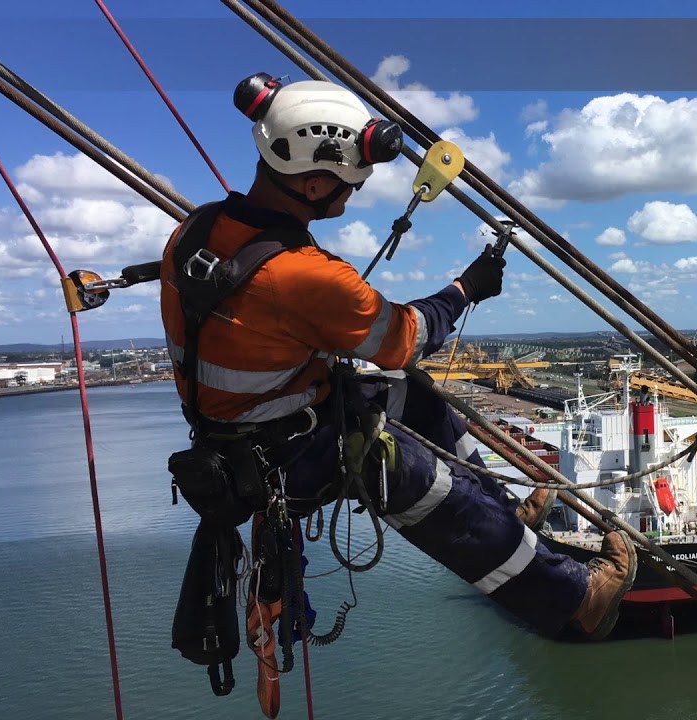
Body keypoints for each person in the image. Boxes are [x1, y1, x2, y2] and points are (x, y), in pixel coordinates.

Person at [158, 75, 635, 718]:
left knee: (414, 397)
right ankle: (574, 599)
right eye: (350, 181)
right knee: (424, 484)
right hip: (285, 458)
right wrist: (466, 289)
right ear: (315, 179)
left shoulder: (199, 229)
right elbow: (407, 336)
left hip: (244, 438)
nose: (354, 193)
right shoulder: (306, 276)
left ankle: (507, 510)